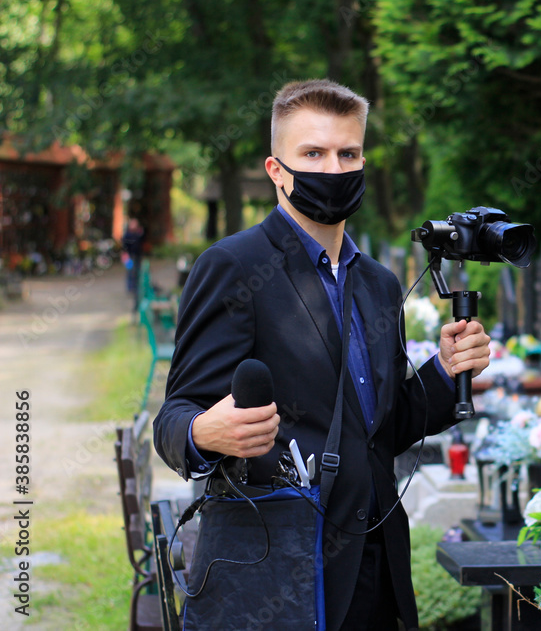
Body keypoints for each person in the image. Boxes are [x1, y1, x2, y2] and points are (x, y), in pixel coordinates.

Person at [153, 79, 492, 630]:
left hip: (376, 566)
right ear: (276, 170)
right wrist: (203, 433)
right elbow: (174, 417)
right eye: (313, 154)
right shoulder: (234, 267)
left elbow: (380, 432)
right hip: (283, 567)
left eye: (348, 154)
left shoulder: (380, 284)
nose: (333, 170)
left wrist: (446, 371)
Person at [121, 217, 144, 307]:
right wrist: (125, 256)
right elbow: (124, 246)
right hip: (129, 256)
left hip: (137, 256)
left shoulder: (138, 234)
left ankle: (136, 287)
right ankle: (130, 288)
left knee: (137, 271)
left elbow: (141, 243)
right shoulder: (127, 235)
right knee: (130, 272)